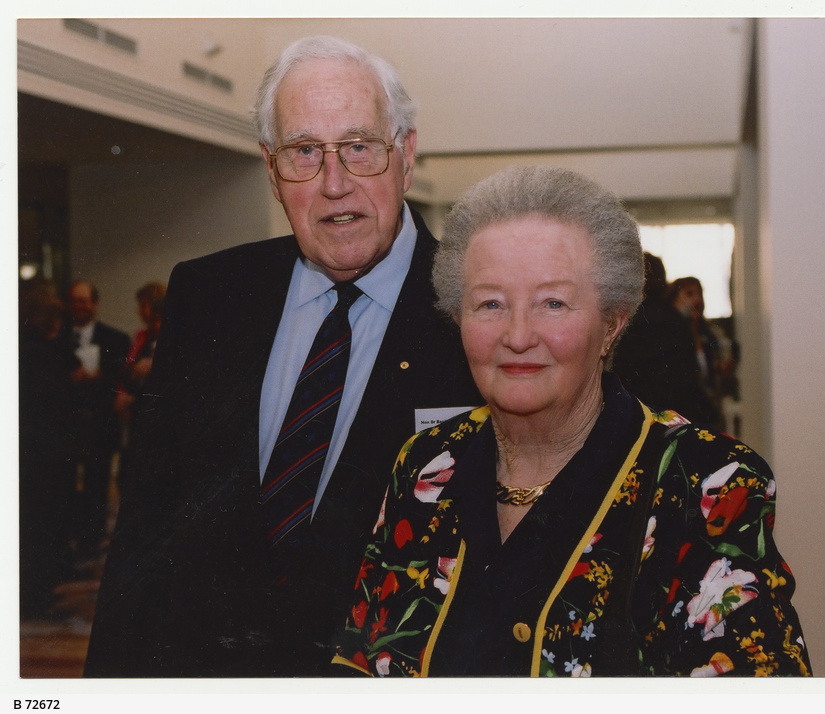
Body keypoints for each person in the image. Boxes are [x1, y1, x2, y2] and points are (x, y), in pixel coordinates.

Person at [85, 35, 481, 677]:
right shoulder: (208, 295)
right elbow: (146, 533)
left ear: (405, 154)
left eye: (359, 147)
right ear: (271, 169)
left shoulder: (476, 311)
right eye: (304, 152)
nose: (334, 184)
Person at [331, 166, 810, 677]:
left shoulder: (708, 483)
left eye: (553, 303)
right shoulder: (426, 464)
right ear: (458, 317)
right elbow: (358, 670)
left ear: (611, 324)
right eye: (490, 303)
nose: (517, 335)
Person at [57, 281, 130, 561]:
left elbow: (118, 382)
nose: (81, 306)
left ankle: (92, 539)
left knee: (97, 483)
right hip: (66, 426)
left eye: (86, 300)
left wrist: (100, 380)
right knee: (65, 483)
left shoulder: (115, 338)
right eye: (76, 300)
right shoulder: (56, 337)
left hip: (101, 425)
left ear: (95, 304)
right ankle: (68, 540)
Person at [19, 279, 78, 618]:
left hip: (26, 450)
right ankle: (35, 594)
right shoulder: (42, 357)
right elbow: (59, 408)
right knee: (41, 524)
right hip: (45, 454)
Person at [612, 252, 718, 424]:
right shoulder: (674, 319)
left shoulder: (624, 321)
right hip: (677, 417)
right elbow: (689, 375)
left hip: (635, 416)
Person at [668, 276, 737, 431]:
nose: (697, 299)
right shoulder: (670, 336)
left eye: (699, 294)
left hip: (711, 413)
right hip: (682, 415)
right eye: (689, 294)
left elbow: (725, 366)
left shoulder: (712, 334)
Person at [113, 282, 166, 430]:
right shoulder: (142, 336)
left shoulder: (173, 334)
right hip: (138, 409)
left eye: (143, 305)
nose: (139, 310)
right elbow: (126, 370)